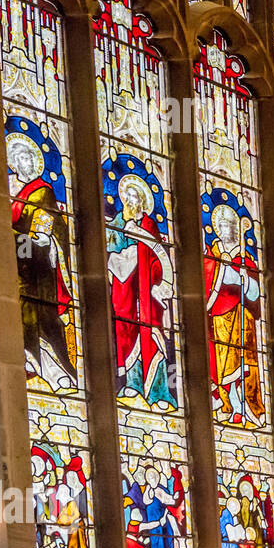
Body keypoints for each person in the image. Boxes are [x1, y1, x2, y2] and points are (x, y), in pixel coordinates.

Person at [8, 127, 77, 391]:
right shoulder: (18, 193)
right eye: (18, 159)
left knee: (42, 319)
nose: (23, 163)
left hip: (39, 273)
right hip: (18, 267)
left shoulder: (41, 192)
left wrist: (12, 235)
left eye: (27, 158)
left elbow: (43, 233)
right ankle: (31, 365)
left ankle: (54, 372)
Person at [107, 172, 177, 410]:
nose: (130, 201)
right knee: (129, 337)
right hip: (125, 293)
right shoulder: (116, 223)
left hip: (148, 296)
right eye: (126, 197)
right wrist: (126, 255)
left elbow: (159, 259)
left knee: (152, 338)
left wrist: (160, 284)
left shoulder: (148, 226)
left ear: (143, 201)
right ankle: (134, 384)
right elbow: (110, 253)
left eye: (135, 197)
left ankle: (159, 392)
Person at [204, 204, 265, 426]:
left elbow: (255, 292)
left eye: (229, 225)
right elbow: (208, 276)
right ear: (217, 229)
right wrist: (226, 272)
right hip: (220, 316)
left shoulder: (245, 257)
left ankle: (247, 407)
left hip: (243, 317)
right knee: (223, 365)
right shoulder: (214, 253)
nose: (226, 229)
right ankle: (231, 404)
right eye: (221, 225)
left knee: (245, 364)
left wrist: (245, 279)